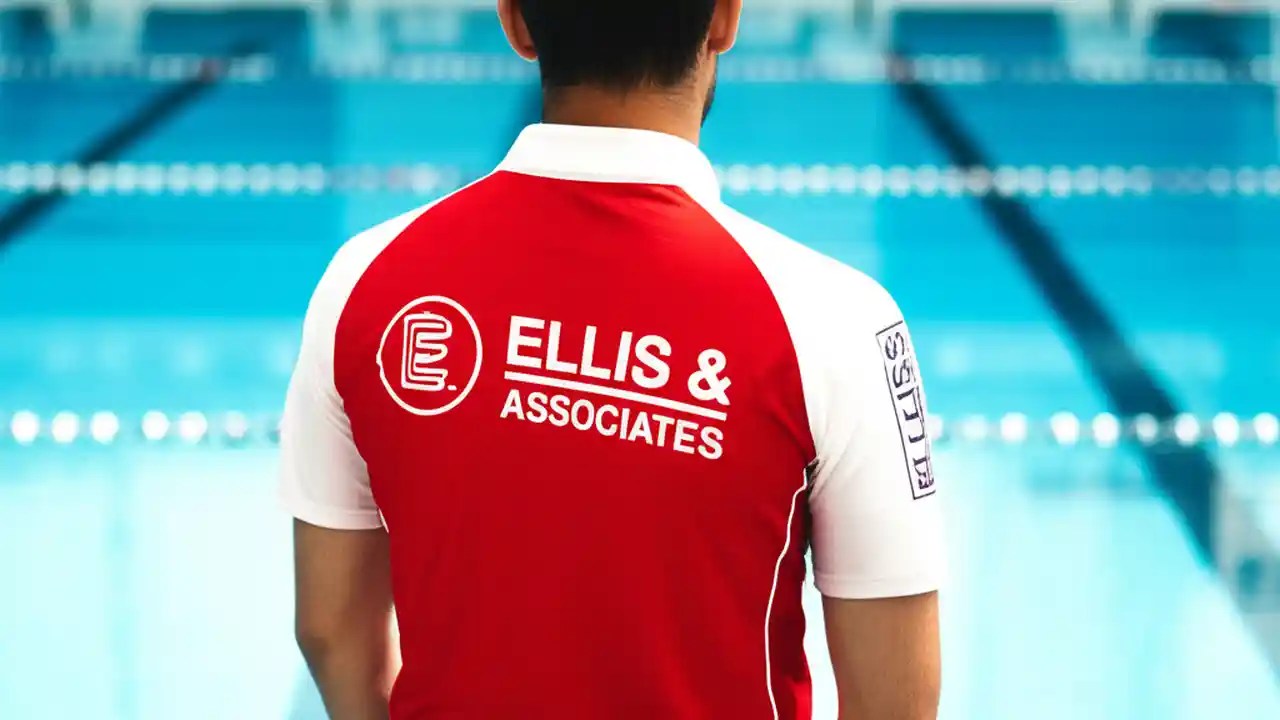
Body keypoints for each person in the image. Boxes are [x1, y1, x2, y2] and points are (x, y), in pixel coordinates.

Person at [279, 1, 944, 718]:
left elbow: (331, 630)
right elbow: (895, 698)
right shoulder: (837, 319)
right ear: (725, 19)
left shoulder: (366, 282)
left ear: (515, 23)